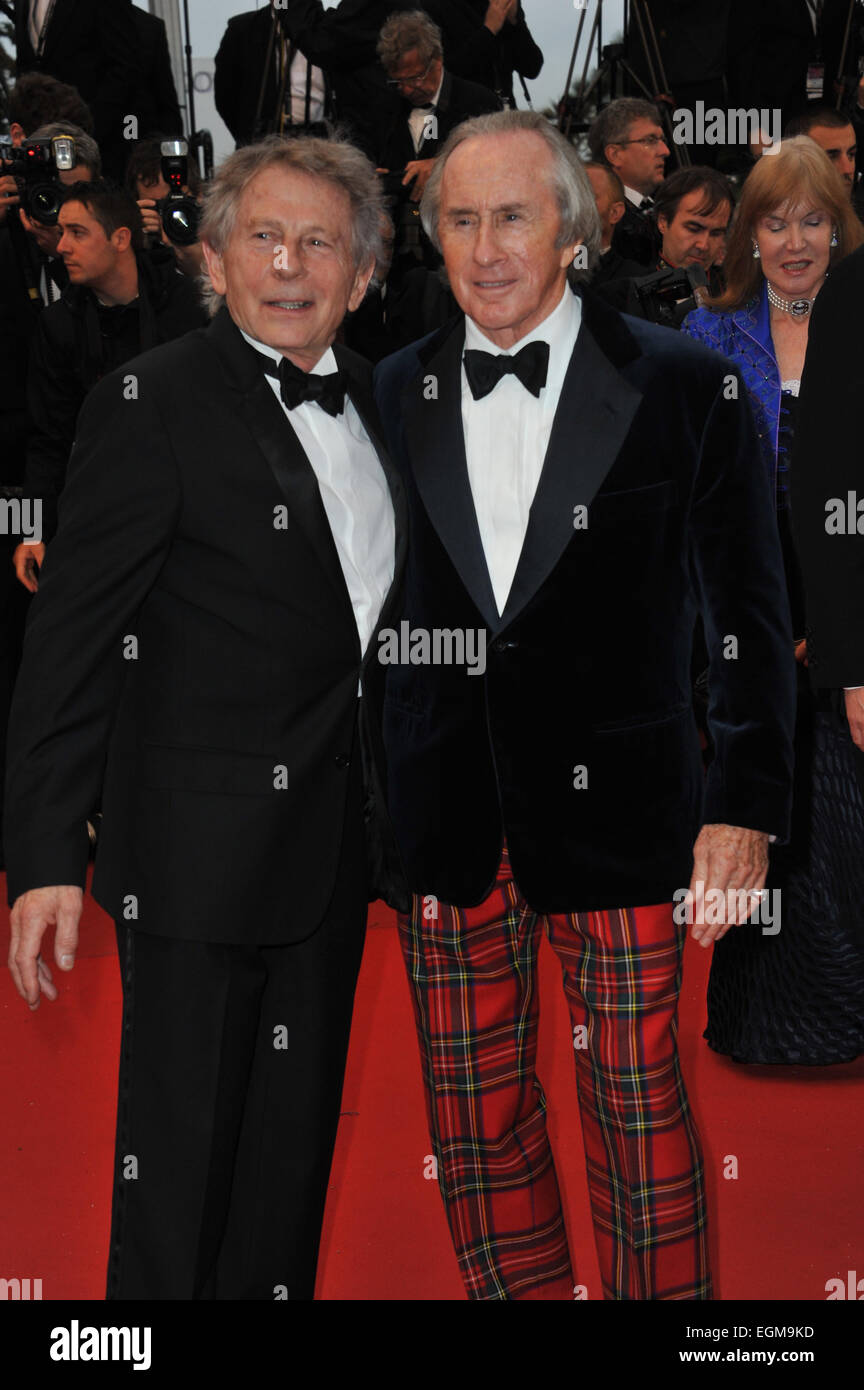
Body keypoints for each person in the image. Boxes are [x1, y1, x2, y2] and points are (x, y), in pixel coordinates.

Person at [373, 109, 796, 1300]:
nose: (486, 244)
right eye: (459, 219)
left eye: (513, 214)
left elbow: (747, 615)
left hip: (628, 810)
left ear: (577, 229)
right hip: (450, 807)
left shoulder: (688, 385)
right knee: (475, 1116)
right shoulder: (393, 391)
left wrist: (745, 806)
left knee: (636, 1105)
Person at [4, 134, 406, 1300]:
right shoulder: (151, 401)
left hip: (334, 859)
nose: (290, 264)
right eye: (262, 238)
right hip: (190, 866)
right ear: (214, 262)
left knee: (288, 1174)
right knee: (177, 1184)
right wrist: (41, 856)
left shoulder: (385, 398)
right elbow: (69, 641)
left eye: (319, 241)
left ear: (364, 271)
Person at [682, 137, 864, 1066]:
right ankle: (778, 1027)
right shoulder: (708, 334)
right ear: (748, 233)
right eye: (774, 220)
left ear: (841, 227)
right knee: (770, 814)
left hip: (854, 607)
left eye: (814, 219)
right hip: (749, 614)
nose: (795, 240)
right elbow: (689, 500)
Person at [13, 179, 207, 592]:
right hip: (103, 518)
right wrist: (30, 533)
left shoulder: (189, 308)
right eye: (62, 232)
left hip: (195, 517)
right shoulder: (58, 325)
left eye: (77, 233)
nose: (62, 246)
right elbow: (46, 441)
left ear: (120, 239)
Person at [13, 0, 140, 181]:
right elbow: (26, 65)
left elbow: (125, 69)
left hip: (95, 152)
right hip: (37, 156)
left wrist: (85, 138)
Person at [598, 166, 733, 324]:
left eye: (716, 233)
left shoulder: (738, 290)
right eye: (693, 229)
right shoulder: (627, 295)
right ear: (663, 222)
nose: (703, 245)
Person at [215, 2, 330, 148]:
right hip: (263, 148)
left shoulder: (331, 29)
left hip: (321, 146)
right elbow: (226, 97)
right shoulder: (242, 30)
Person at [587, 97, 669, 266]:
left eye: (663, 140)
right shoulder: (594, 220)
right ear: (615, 155)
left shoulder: (664, 209)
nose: (665, 151)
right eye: (650, 140)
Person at [583, 162, 645, 287]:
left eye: (587, 196)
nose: (573, 204)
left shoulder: (635, 280)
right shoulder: (546, 269)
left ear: (615, 213)